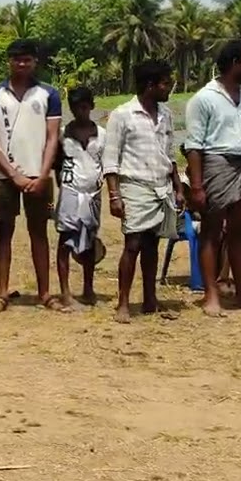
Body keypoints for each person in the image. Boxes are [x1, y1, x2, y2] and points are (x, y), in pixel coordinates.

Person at [184, 40, 241, 316]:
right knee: (211, 232)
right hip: (216, 164)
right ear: (234, 63)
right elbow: (194, 146)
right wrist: (196, 186)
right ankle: (211, 295)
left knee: (239, 234)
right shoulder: (203, 99)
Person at [0, 39, 63, 313]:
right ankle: (2, 292)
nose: (22, 64)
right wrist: (13, 174)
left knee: (39, 232)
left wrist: (43, 173)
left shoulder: (48, 94)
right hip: (3, 177)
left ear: (35, 61)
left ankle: (45, 293)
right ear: (9, 61)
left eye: (27, 59)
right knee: (3, 232)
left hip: (38, 174)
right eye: (16, 59)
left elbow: (53, 138)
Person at [102, 61, 183, 322]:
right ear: (151, 85)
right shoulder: (122, 115)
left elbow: (169, 155)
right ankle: (123, 303)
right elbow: (111, 159)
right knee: (133, 243)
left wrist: (179, 188)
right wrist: (114, 196)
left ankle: (150, 299)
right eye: (165, 83)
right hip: (134, 186)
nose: (169, 87)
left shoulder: (166, 115)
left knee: (152, 244)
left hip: (161, 186)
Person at [53, 87, 105, 311]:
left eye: (84, 107)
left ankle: (88, 288)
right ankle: (65, 292)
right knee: (66, 240)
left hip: (93, 193)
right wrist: (63, 188)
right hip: (70, 190)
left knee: (90, 240)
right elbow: (56, 164)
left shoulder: (102, 135)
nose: (80, 112)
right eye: (76, 108)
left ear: (91, 106)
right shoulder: (63, 135)